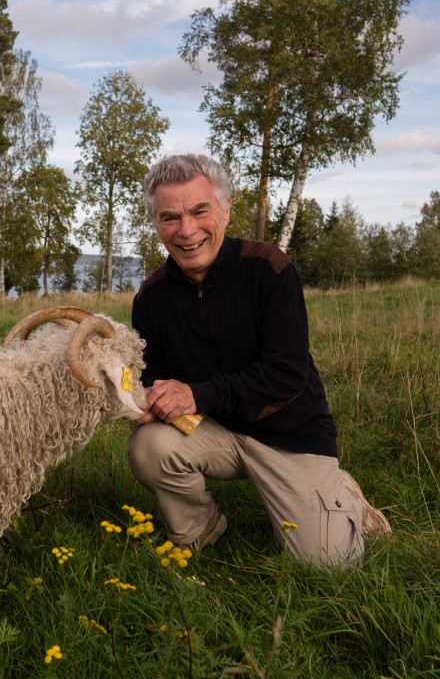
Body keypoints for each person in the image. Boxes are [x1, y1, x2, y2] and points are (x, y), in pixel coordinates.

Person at [128, 153, 390, 566]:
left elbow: (286, 375)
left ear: (226, 209)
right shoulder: (150, 296)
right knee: (149, 446)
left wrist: (196, 394)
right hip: (213, 432)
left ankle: (342, 494)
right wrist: (145, 400)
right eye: (169, 217)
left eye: (200, 211)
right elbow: (158, 376)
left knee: (329, 564)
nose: (187, 230)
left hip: (289, 434)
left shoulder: (268, 269)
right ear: (156, 224)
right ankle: (201, 531)